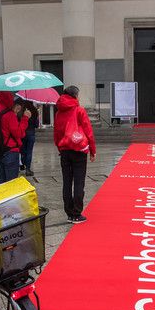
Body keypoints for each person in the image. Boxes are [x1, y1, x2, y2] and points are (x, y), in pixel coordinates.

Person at [54, 85, 96, 223]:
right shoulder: (79, 110)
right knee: (79, 182)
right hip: (78, 149)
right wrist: (92, 150)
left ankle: (69, 212)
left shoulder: (59, 112)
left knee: (67, 182)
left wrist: (60, 148)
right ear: (75, 96)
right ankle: (77, 213)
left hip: (65, 150)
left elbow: (57, 133)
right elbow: (88, 131)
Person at [0, 98, 28, 182]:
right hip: (11, 150)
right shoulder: (10, 115)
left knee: (1, 180)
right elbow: (18, 133)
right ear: (17, 106)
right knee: (11, 181)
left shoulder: (0, 112)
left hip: (1, 149)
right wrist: (25, 119)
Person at [20, 100, 38, 176]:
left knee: (23, 151)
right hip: (31, 133)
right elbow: (36, 125)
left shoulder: (21, 111)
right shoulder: (34, 110)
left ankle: (22, 164)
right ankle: (28, 169)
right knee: (29, 151)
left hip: (23, 133)